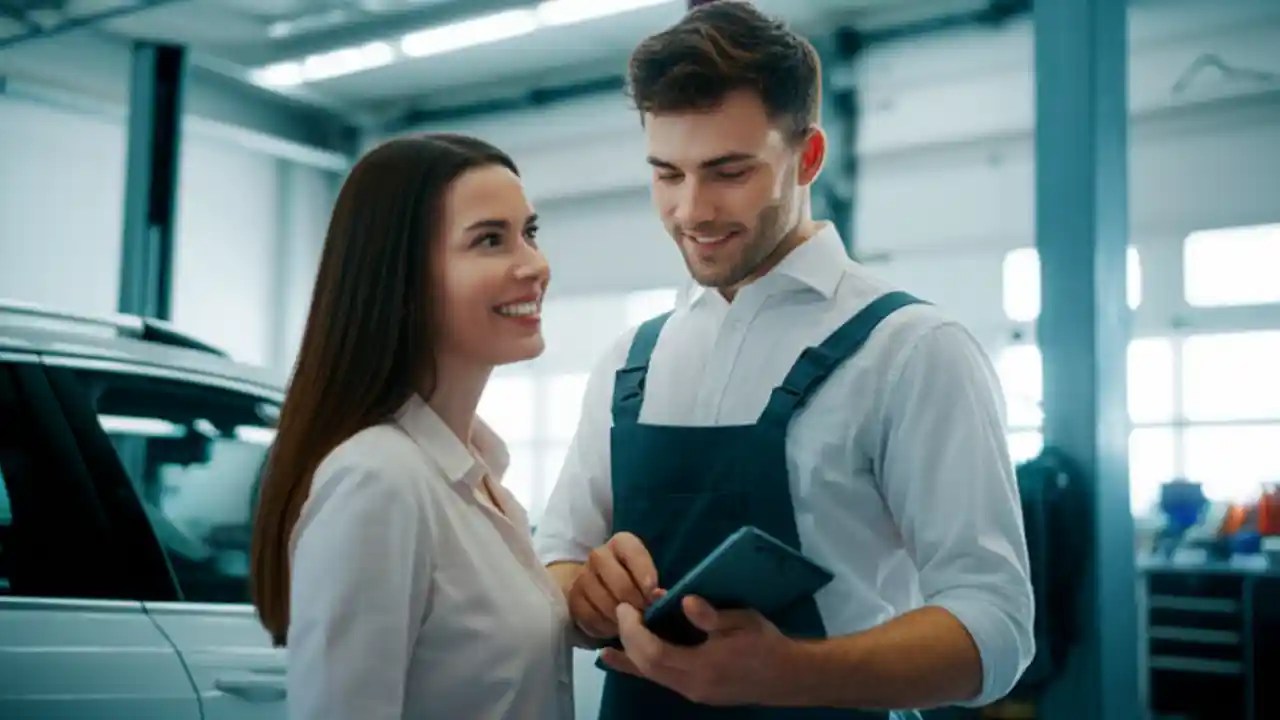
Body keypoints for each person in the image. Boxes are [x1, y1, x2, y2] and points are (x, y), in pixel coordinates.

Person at [533, 2, 1035, 719]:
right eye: (666, 174)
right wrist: (583, 593)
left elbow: (997, 626)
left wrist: (791, 672)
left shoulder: (913, 350)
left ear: (807, 157)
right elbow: (557, 561)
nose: (692, 211)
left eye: (728, 171)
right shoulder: (628, 363)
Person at [249, 134, 573, 720]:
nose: (535, 265)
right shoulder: (379, 480)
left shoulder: (478, 475)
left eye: (529, 232)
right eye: (489, 240)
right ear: (402, 277)